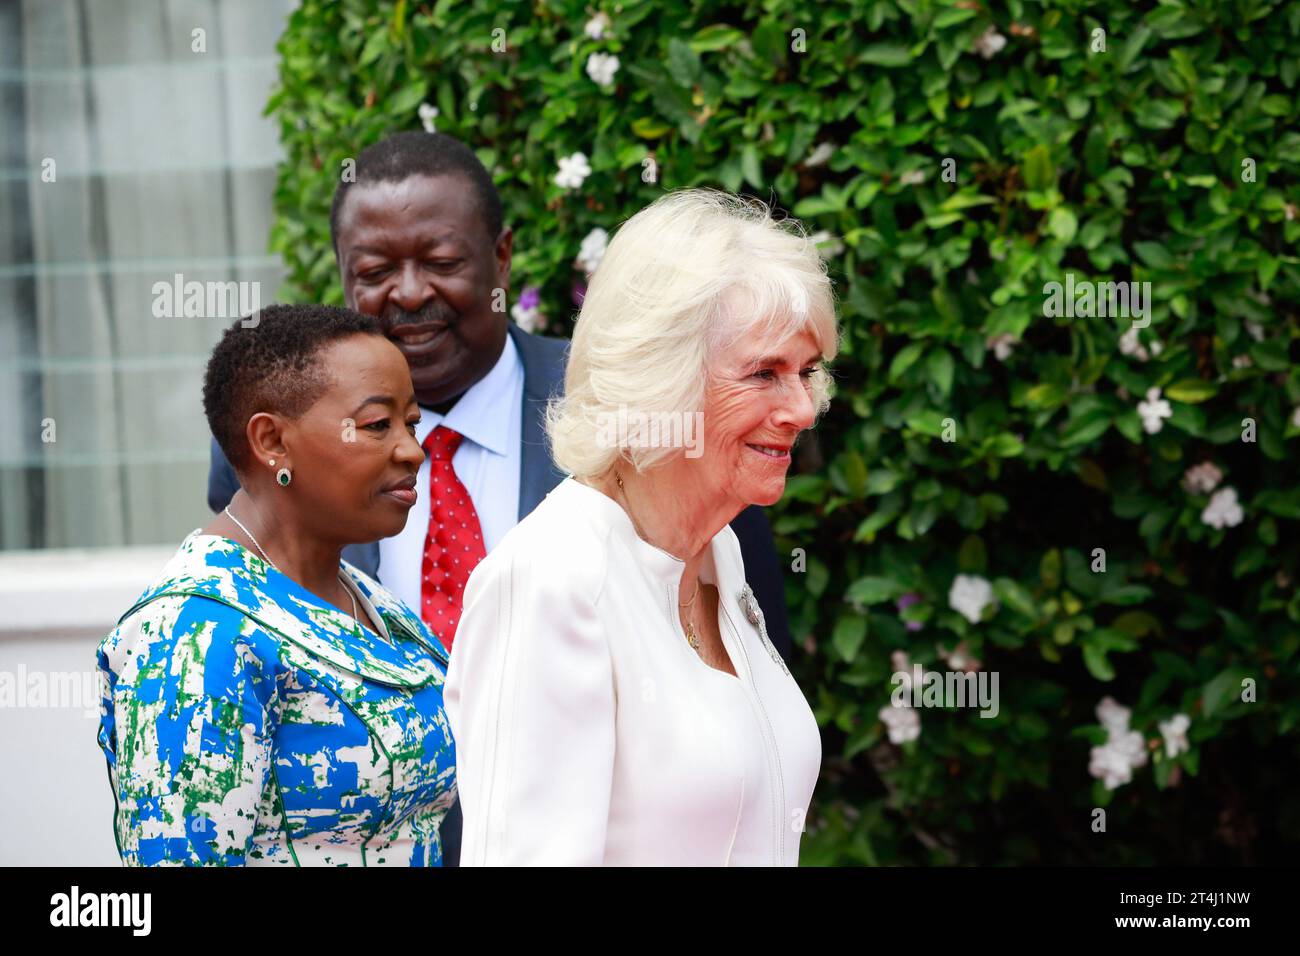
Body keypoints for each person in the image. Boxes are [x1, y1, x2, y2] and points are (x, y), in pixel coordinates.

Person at [203, 131, 795, 865]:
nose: (410, 292)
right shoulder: (286, 446)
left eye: (444, 262)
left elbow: (749, 681)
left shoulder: (643, 422)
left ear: (502, 259)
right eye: (376, 270)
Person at [445, 189, 839, 865]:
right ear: (660, 379)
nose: (802, 408)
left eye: (805, 372)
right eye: (764, 374)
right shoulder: (551, 581)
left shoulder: (720, 552)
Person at [97, 304, 456, 866]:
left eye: (411, 422)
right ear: (272, 442)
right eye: (376, 425)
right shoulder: (195, 634)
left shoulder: (365, 597)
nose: (412, 449)